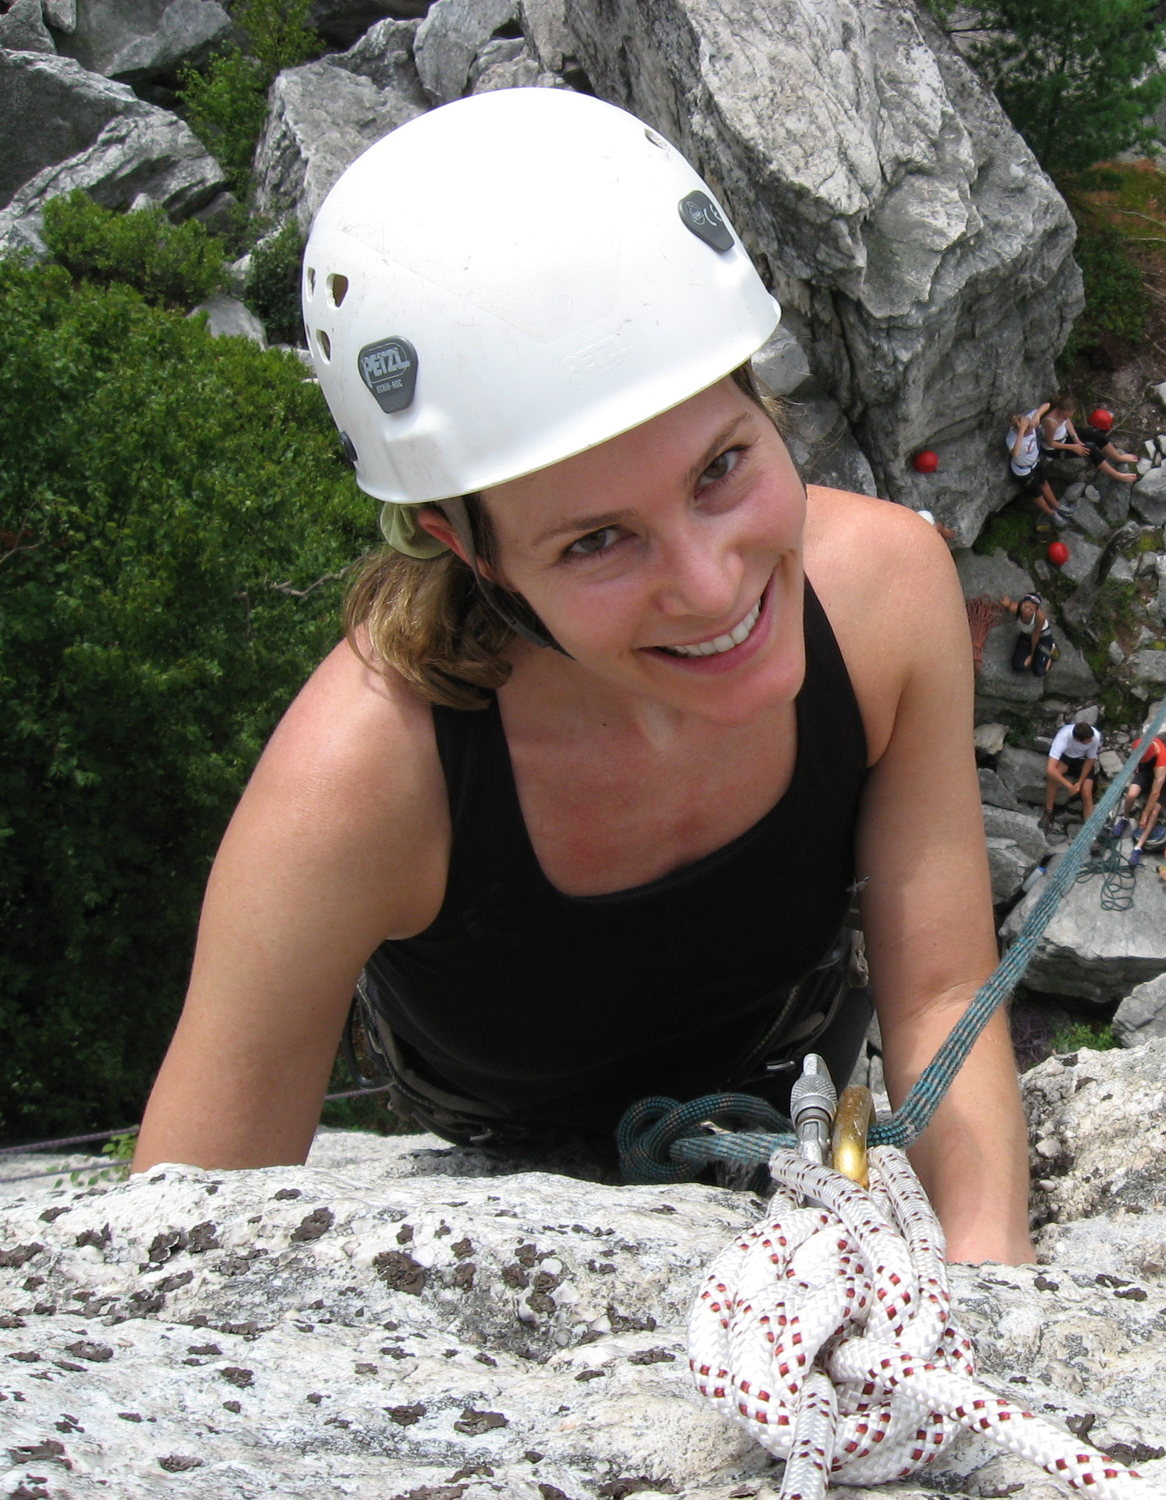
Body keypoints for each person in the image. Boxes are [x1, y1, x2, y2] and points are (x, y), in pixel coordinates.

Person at [130, 90, 1032, 1266]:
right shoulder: (361, 784)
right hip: (496, 1138)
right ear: (468, 545)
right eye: (596, 541)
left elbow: (940, 989)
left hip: (792, 1060)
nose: (711, 590)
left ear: (767, 410)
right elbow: (182, 1235)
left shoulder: (884, 596)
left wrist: (988, 1268)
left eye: (721, 468)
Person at [1007, 403, 1066, 524]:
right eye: (1028, 430)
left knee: (1044, 482)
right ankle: (1051, 514)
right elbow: (1015, 453)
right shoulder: (1012, 438)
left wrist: (1037, 415)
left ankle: (1056, 505)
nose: (1031, 431)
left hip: (1035, 462)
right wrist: (1022, 432)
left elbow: (1047, 405)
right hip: (1023, 471)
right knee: (1036, 494)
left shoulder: (1029, 421)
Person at [1117, 736, 1166, 854]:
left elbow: (1155, 792)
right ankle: (1125, 817)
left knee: (1154, 812)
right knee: (1131, 795)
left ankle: (1139, 846)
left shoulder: (1162, 761)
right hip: (1146, 772)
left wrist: (1145, 815)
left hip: (1163, 781)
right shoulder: (1142, 742)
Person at [1043, 720, 1100, 828]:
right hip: (1066, 758)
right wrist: (1069, 786)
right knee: (1052, 777)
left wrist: (1080, 782)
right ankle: (1049, 811)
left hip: (1083, 760)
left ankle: (1089, 827)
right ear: (1076, 739)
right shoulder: (1063, 737)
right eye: (1087, 741)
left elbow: (1090, 759)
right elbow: (1050, 769)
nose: (1091, 741)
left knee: (1087, 793)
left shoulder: (1095, 736)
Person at [998, 592, 1054, 677]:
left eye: (1031, 609)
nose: (1026, 611)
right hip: (1026, 635)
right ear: (1022, 603)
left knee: (1039, 671)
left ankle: (1050, 650)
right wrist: (1005, 603)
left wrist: (1032, 653)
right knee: (1018, 666)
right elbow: (1008, 604)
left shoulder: (1040, 617)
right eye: (1025, 606)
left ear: (1035, 610)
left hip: (1042, 636)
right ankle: (1039, 654)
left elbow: (1036, 635)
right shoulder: (1015, 609)